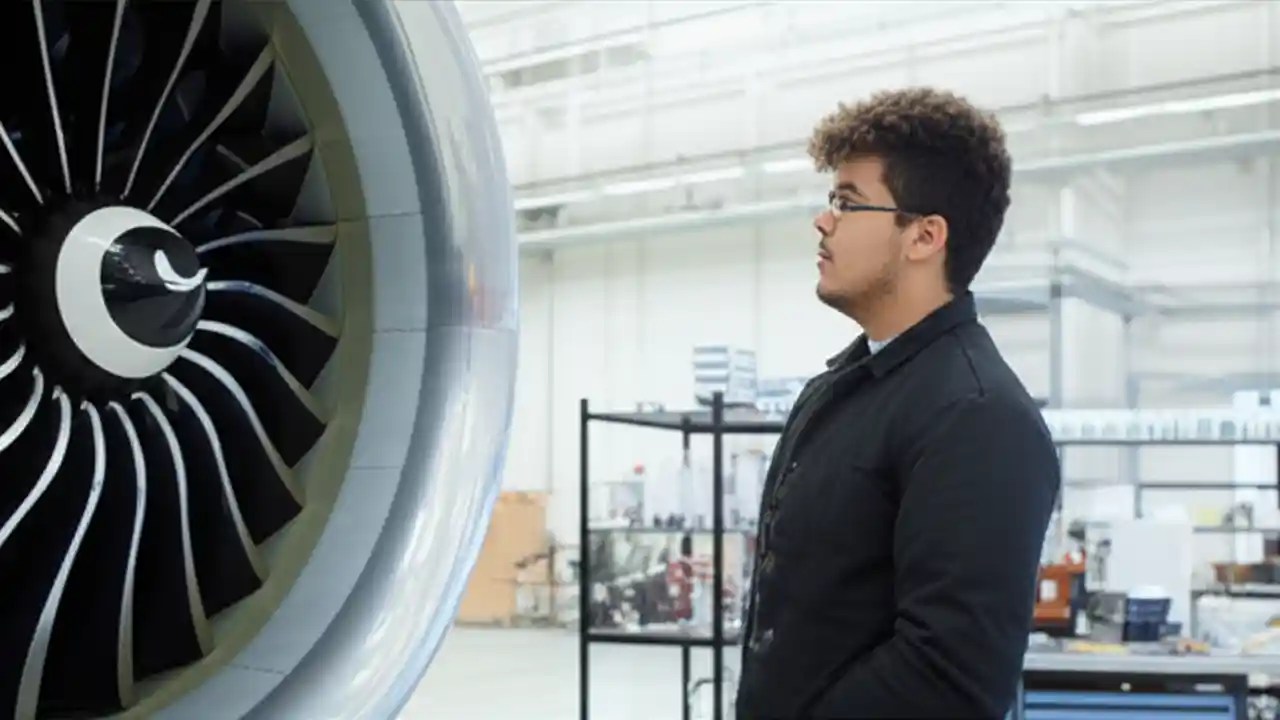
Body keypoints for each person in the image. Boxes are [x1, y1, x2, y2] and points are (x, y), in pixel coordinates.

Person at [734, 87, 1061, 719]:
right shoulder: (842, 389)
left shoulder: (978, 415)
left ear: (924, 237)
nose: (823, 220)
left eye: (848, 202)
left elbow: (948, 677)